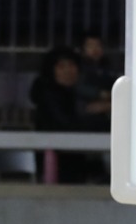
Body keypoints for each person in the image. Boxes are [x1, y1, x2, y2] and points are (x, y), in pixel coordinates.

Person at [28, 44, 110, 183]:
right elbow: (67, 126)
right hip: (58, 168)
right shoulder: (49, 95)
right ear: (51, 70)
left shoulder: (71, 94)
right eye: (61, 66)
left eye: (72, 65)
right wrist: (94, 116)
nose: (68, 71)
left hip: (76, 164)